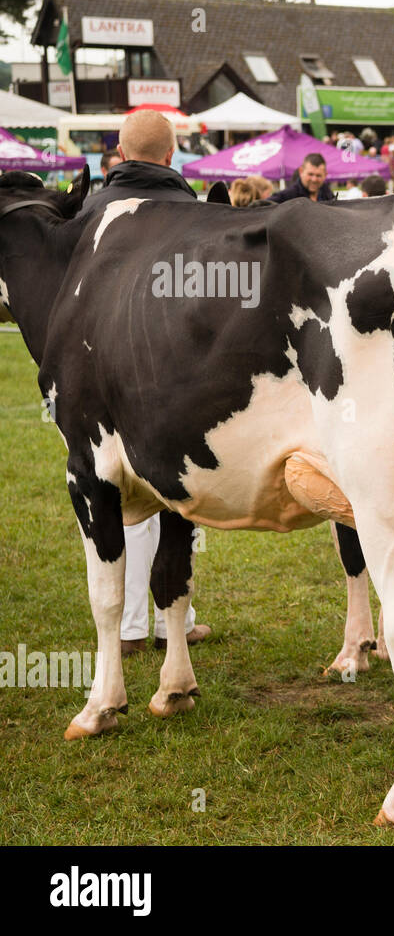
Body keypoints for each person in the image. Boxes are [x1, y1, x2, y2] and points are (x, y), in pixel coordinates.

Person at [78, 109, 211, 655]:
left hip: (96, 382)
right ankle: (159, 622)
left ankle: (136, 623)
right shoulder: (195, 214)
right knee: (174, 501)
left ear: (120, 152)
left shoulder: (86, 215)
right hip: (173, 378)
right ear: (171, 155)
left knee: (114, 498)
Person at [269, 153, 334, 203]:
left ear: (325, 175)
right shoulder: (288, 196)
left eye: (318, 175)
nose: (314, 179)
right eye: (310, 174)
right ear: (301, 171)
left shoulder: (329, 195)